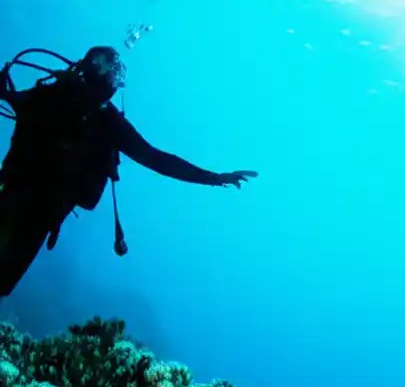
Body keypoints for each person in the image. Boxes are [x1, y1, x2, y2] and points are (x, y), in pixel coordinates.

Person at [0, 45, 257, 296]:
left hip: (26, 201)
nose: (115, 80)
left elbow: (157, 159)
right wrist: (214, 178)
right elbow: (157, 159)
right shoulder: (91, 113)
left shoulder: (84, 110)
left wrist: (213, 178)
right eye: (112, 71)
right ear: (96, 68)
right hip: (31, 204)